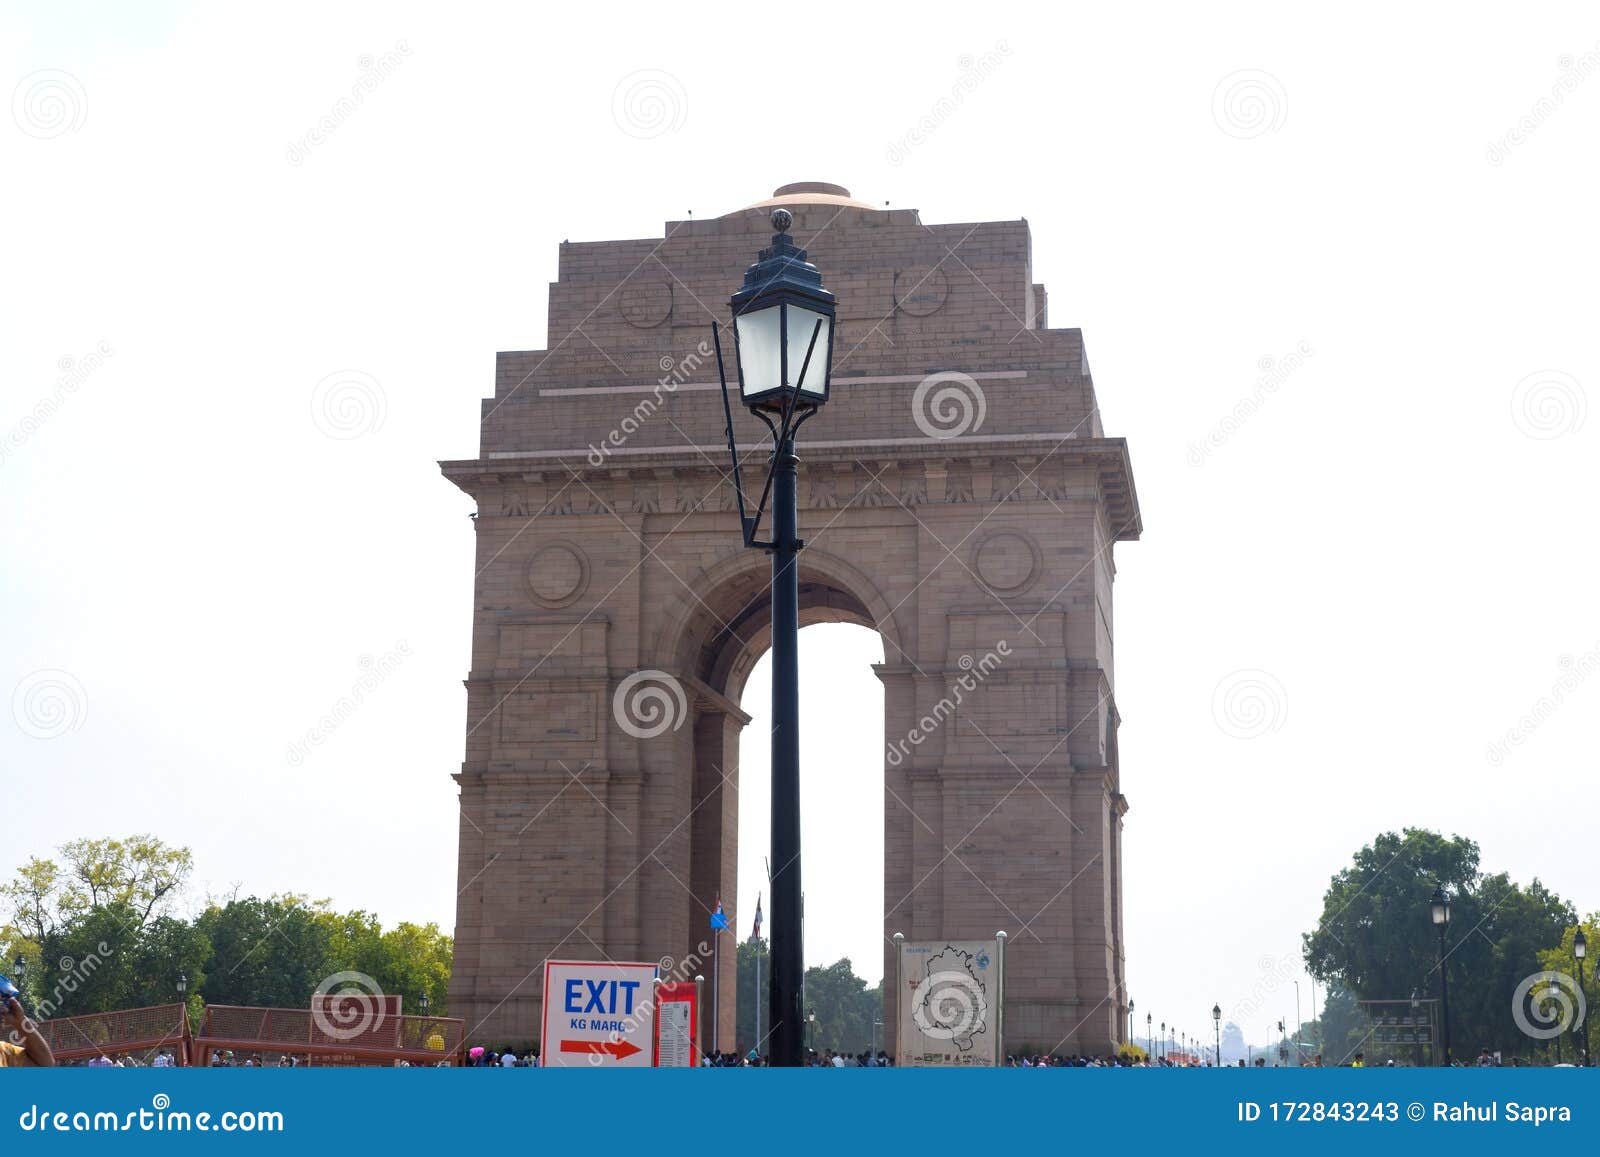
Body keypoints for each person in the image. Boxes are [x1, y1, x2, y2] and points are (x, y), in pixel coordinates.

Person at [1, 994, 55, 1067]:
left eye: (3, 1002)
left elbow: (45, 1065)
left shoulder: (4, 1052)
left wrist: (21, 1022)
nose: (3, 1009)